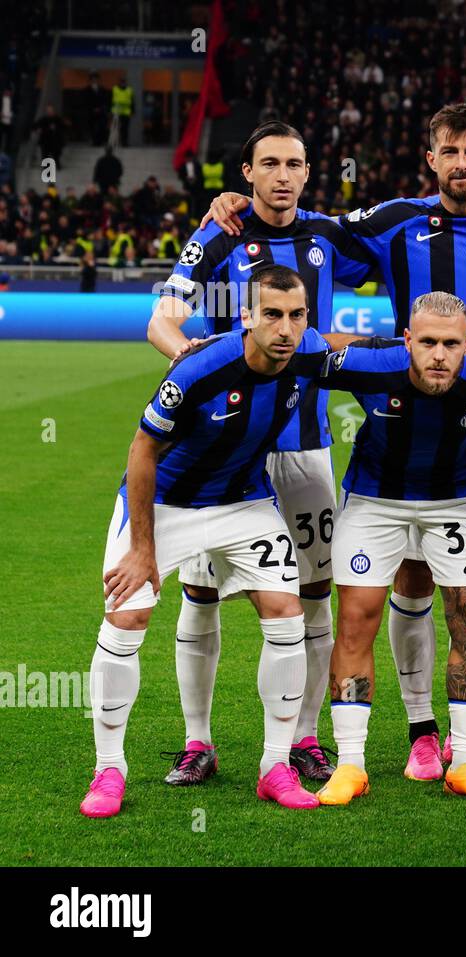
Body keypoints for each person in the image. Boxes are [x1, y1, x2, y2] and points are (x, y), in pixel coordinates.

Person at [203, 104, 466, 780]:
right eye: (449, 150)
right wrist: (237, 204)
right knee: (410, 575)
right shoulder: (394, 222)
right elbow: (303, 222)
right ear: (431, 158)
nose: (461, 162)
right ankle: (422, 727)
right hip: (408, 422)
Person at [146, 121, 374, 787]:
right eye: (268, 163)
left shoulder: (331, 236)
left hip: (305, 446)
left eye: (294, 163)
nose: (281, 174)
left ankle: (304, 737)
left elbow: (410, 237)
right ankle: (198, 742)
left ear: (308, 173)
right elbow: (163, 318)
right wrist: (193, 364)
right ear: (246, 173)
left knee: (313, 594)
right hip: (223, 450)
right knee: (200, 592)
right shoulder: (216, 234)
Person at [80, 265, 331, 818]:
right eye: (272, 315)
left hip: (243, 501)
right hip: (165, 503)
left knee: (288, 612)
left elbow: (365, 351)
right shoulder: (201, 368)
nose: (285, 329)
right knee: (126, 618)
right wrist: (143, 548)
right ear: (246, 316)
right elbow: (141, 451)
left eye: (296, 316)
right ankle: (108, 769)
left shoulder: (308, 356)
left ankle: (274, 767)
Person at [312, 291, 466, 806]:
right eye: (426, 343)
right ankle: (350, 764)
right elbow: (302, 353)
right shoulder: (370, 365)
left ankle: (464, 761)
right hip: (373, 501)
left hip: (458, 502)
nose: (438, 355)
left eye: (449, 344)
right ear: (406, 341)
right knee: (355, 623)